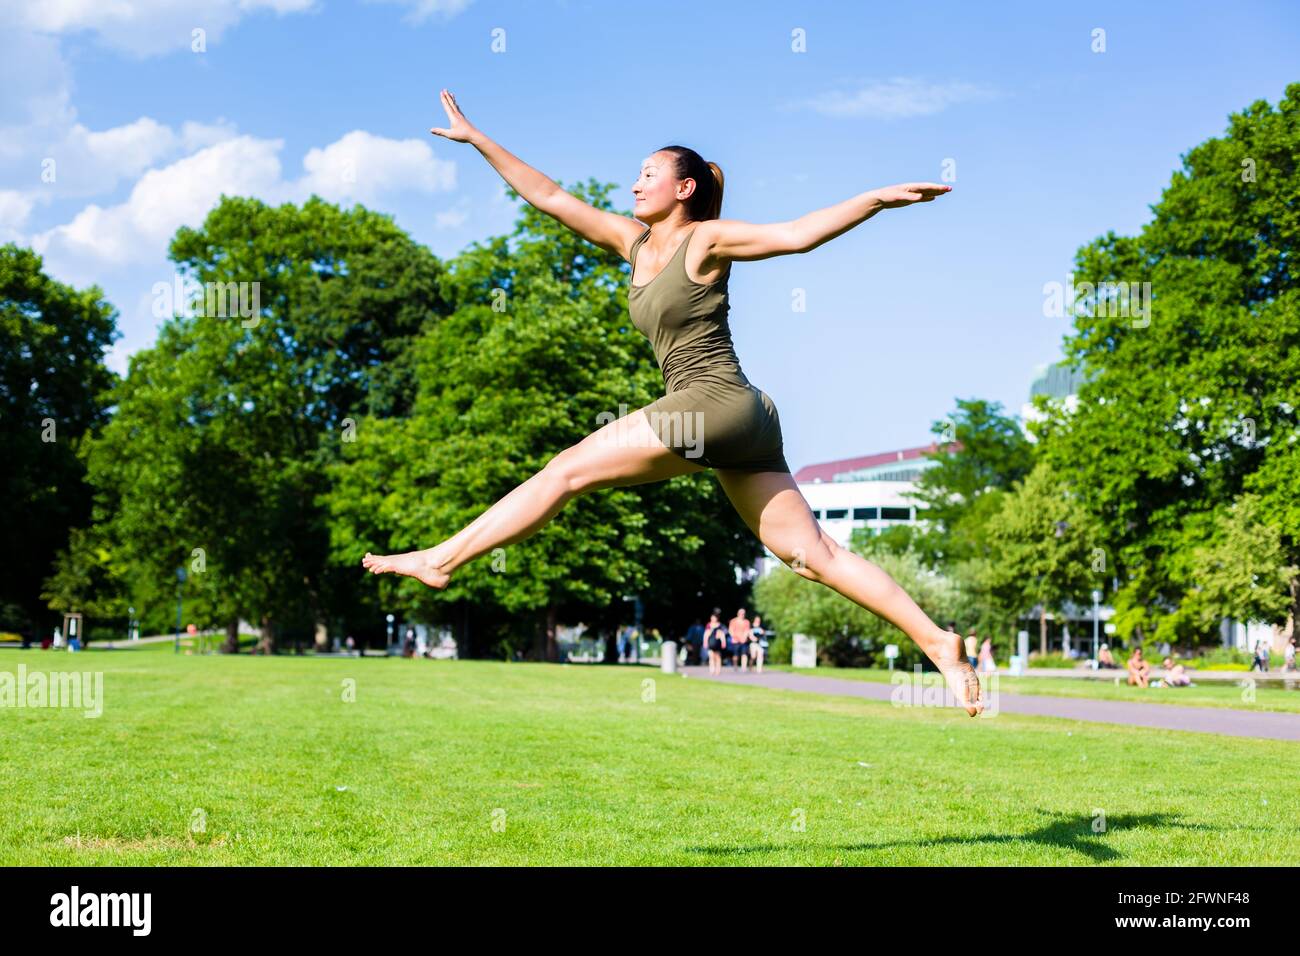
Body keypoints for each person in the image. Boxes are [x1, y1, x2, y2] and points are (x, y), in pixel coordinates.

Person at [363, 89, 981, 716]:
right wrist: (479, 140)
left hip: (709, 405)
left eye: (649, 175)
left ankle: (442, 560)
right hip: (748, 420)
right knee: (812, 556)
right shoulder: (633, 244)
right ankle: (937, 640)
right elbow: (549, 196)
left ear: (684, 190)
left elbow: (794, 236)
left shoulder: (706, 240)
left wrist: (874, 199)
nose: (635, 184)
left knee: (565, 471)